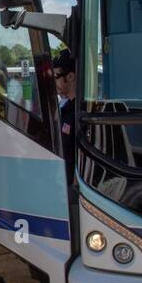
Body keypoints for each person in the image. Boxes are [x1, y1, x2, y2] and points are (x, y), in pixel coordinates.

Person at [53, 50, 76, 185]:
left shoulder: (79, 114)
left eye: (56, 76)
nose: (53, 82)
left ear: (70, 76)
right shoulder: (65, 110)